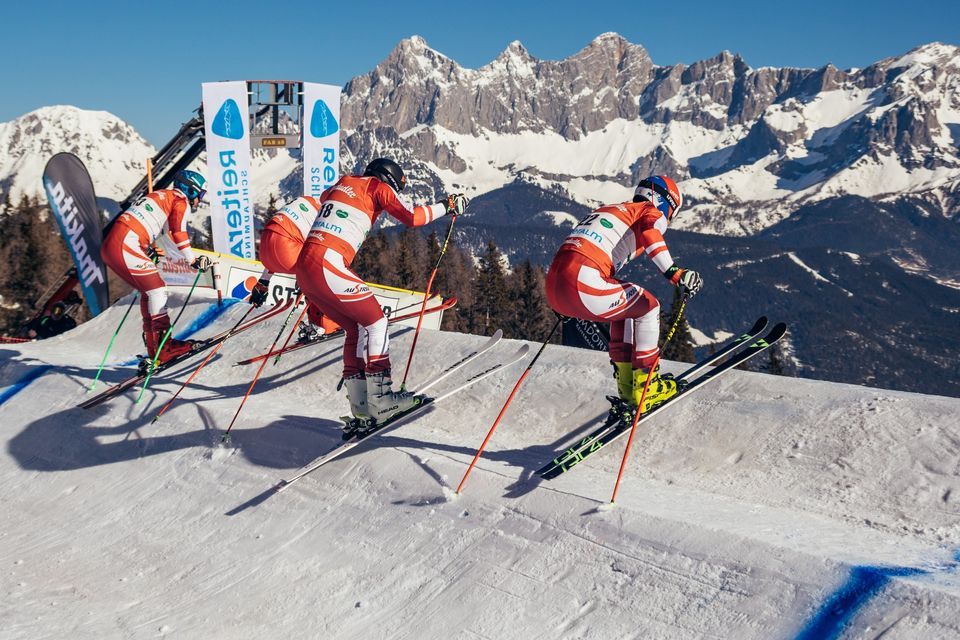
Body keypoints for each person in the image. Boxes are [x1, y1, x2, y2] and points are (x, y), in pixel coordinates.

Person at [295, 158, 468, 425]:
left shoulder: (343, 182)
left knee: (355, 329)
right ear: (389, 180)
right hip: (327, 262)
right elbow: (411, 217)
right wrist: (447, 206)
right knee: (377, 322)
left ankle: (361, 406)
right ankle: (382, 399)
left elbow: (325, 196)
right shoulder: (378, 187)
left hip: (305, 268)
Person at [545, 175, 702, 412]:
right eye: (671, 213)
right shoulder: (648, 210)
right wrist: (674, 273)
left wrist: (567, 298)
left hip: (555, 286)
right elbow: (651, 234)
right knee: (649, 306)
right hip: (583, 281)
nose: (668, 220)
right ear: (664, 202)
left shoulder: (611, 209)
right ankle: (646, 385)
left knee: (627, 309)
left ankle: (628, 385)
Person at [100, 170, 212, 365]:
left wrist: (147, 248)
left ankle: (155, 348)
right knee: (158, 290)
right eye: (200, 195)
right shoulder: (180, 199)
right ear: (190, 189)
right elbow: (177, 232)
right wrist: (192, 260)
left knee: (150, 291)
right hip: (126, 243)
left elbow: (145, 222)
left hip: (116, 243)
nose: (199, 200)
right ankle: (164, 347)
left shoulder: (161, 194)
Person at [249, 196, 340, 339]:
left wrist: (264, 281)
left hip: (265, 248)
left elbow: (278, 236)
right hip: (287, 247)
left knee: (311, 272)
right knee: (323, 272)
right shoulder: (328, 216)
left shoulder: (309, 202)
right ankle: (325, 325)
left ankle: (318, 323)